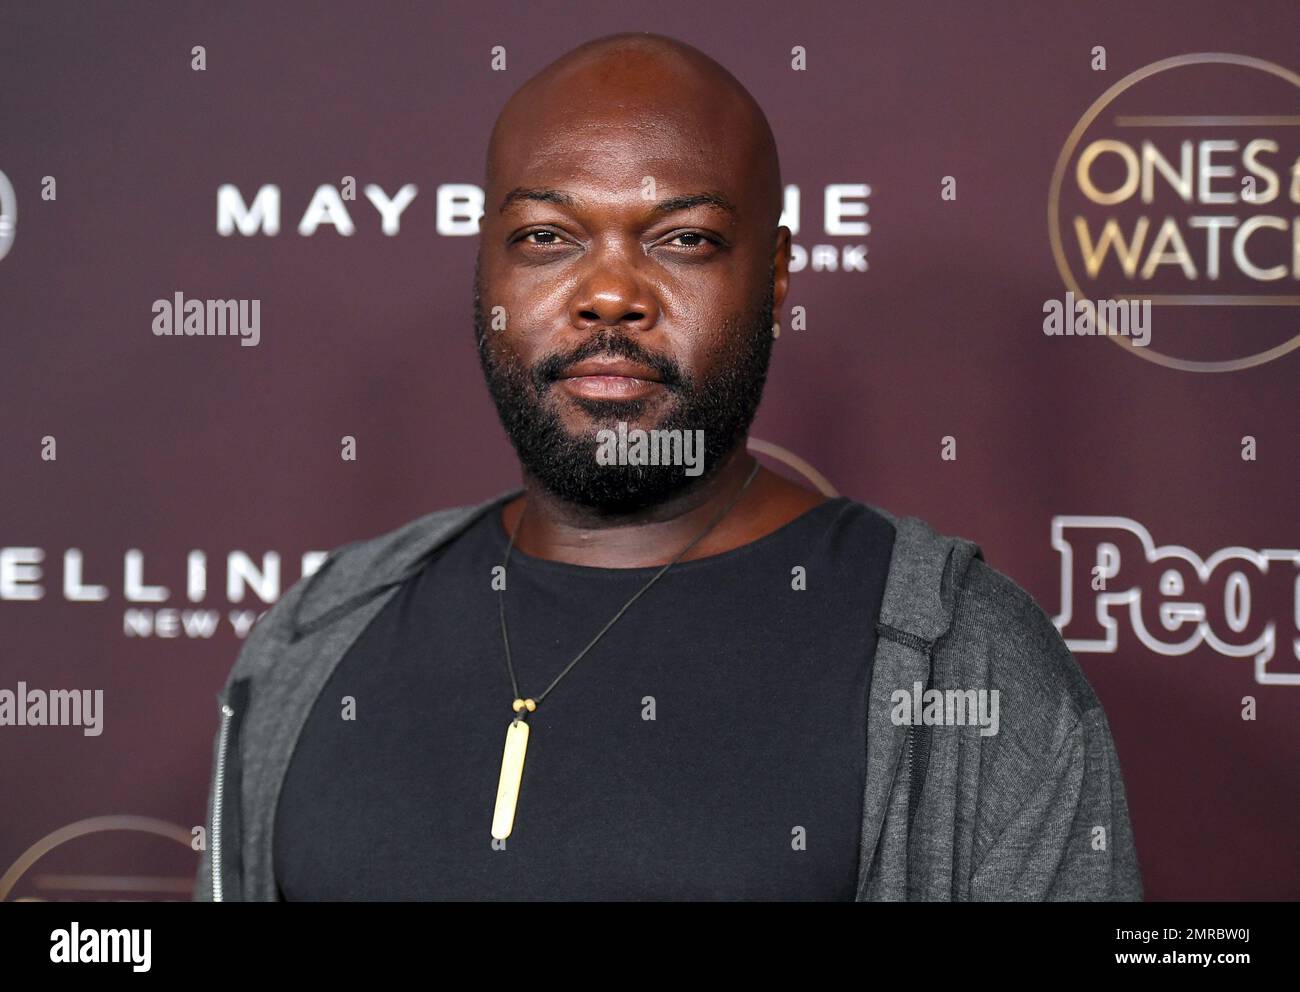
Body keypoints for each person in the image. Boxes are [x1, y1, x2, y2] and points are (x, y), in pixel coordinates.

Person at [193, 31, 1142, 901]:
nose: (609, 294)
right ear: (486, 273)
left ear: (774, 278)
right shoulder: (317, 639)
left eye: (682, 238)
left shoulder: (959, 664)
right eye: (547, 238)